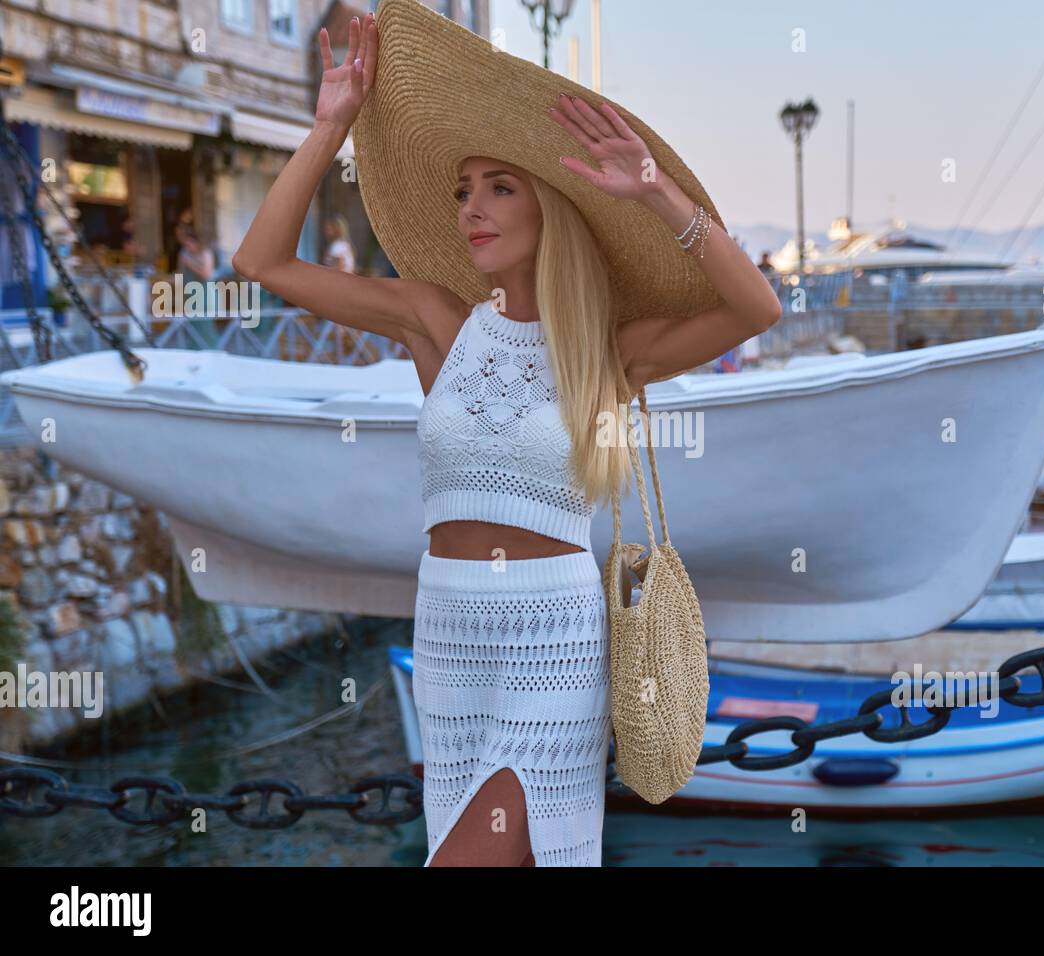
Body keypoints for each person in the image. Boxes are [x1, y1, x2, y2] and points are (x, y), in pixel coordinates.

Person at [231, 6, 780, 868]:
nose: (471, 210)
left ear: (551, 205)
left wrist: (657, 193)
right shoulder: (434, 321)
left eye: (498, 187)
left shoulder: (607, 353)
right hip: (449, 634)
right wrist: (330, 125)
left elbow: (757, 308)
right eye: (461, 190)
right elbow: (262, 265)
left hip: (552, 641)